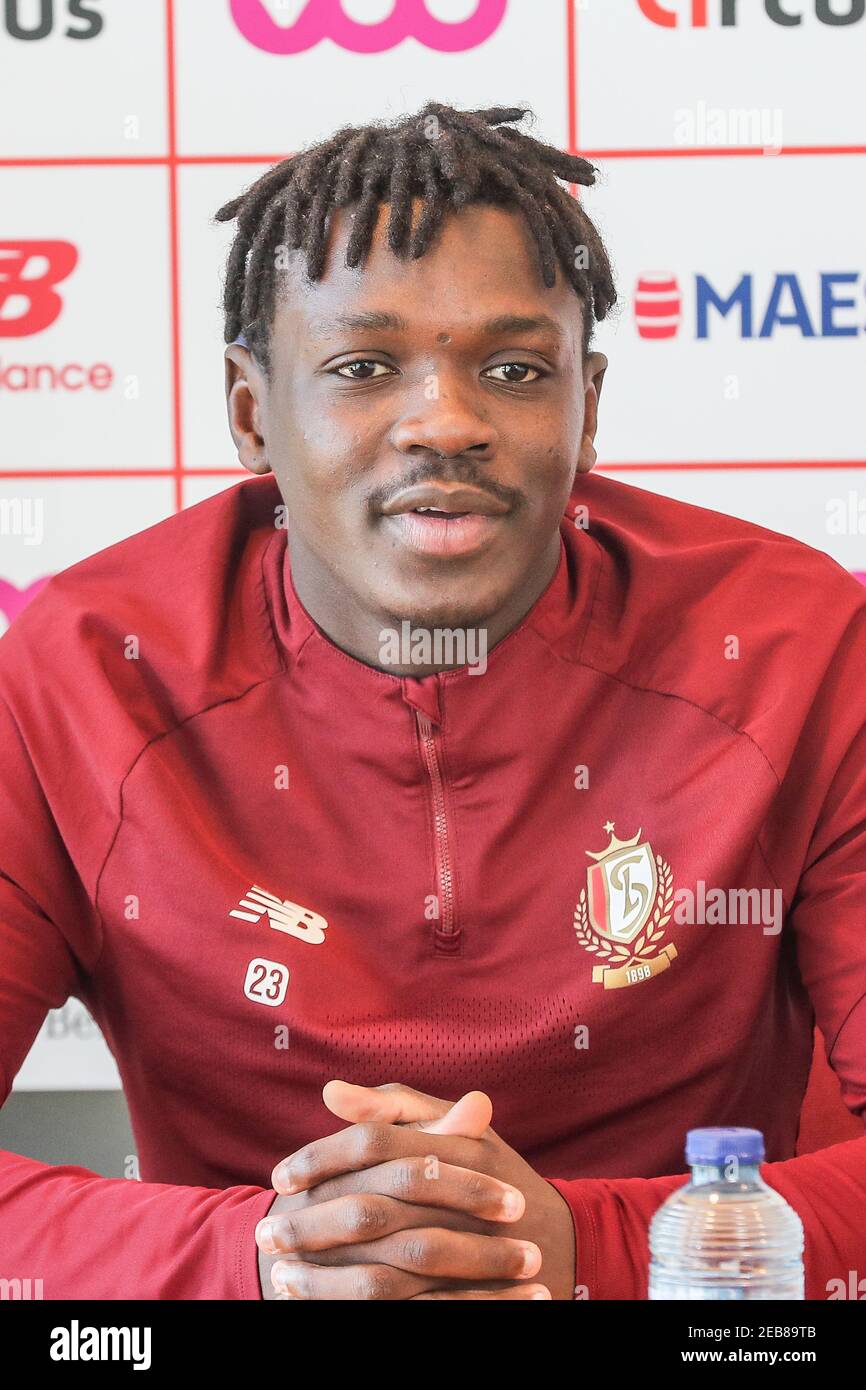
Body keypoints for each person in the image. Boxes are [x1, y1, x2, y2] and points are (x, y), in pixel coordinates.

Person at [1, 102, 864, 1302]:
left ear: (586, 405)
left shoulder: (795, 645)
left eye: (513, 371)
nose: (445, 422)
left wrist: (572, 1250)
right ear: (251, 413)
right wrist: (264, 1259)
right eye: (361, 368)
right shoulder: (86, 672)